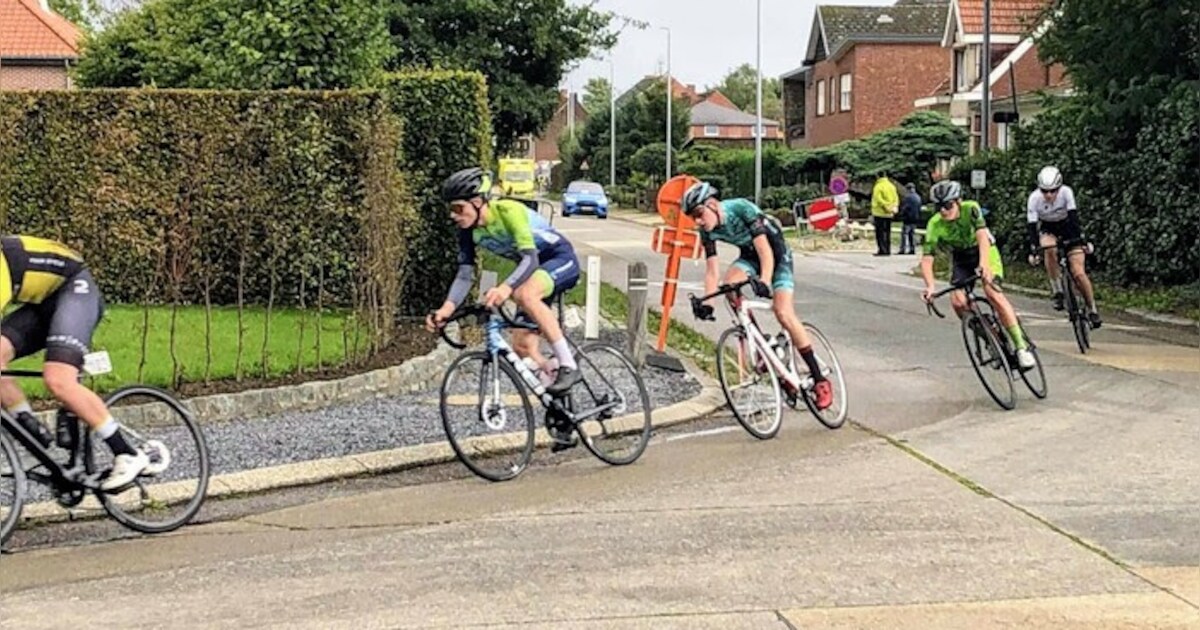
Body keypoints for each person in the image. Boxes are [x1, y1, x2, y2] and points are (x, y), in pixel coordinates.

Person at [1, 235, 153, 491]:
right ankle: (34, 440)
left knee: (58, 380)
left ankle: (127, 453)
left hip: (75, 290)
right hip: (44, 301)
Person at [426, 167, 582, 396]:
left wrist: (505, 288)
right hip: (533, 272)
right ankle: (553, 384)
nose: (453, 215)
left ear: (478, 202)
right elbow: (465, 275)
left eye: (458, 208)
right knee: (522, 347)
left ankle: (569, 365)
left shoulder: (508, 211)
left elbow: (530, 259)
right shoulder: (468, 232)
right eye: (450, 209)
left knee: (524, 294)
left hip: (559, 259)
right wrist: (446, 309)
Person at [682, 181, 834, 410]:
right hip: (750, 257)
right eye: (692, 217)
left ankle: (819, 380)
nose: (698, 221)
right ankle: (762, 343)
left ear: (712, 204)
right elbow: (712, 270)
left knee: (783, 312)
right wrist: (708, 303)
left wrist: (764, 280)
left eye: (699, 214)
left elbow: (765, 251)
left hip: (776, 254)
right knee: (729, 285)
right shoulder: (707, 230)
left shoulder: (742, 208)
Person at [919, 181, 1036, 370]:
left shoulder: (971, 208)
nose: (943, 211)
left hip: (985, 251)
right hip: (961, 259)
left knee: (992, 292)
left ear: (958, 201)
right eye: (938, 207)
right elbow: (927, 259)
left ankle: (1021, 347)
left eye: (947, 205)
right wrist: (930, 286)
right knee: (958, 303)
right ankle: (990, 338)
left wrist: (984, 264)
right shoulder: (934, 224)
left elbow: (982, 236)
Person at [1026, 166, 1101, 328]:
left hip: (1068, 228)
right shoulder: (1034, 198)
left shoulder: (1066, 192)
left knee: (1078, 272)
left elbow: (1074, 218)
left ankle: (1092, 309)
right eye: (1044, 191)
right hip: (1049, 228)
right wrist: (1034, 250)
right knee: (1049, 248)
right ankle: (1057, 290)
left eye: (1053, 191)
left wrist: (1081, 242)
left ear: (1059, 187)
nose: (1049, 195)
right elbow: (1032, 227)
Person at [870, 173, 899, 256]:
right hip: (890, 213)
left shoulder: (878, 186)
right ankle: (888, 249)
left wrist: (885, 206)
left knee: (880, 233)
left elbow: (878, 199)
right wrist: (893, 207)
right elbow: (896, 198)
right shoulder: (892, 186)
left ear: (878, 177)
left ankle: (882, 250)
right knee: (887, 232)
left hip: (879, 213)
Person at [898, 182, 923, 255]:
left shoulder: (908, 197)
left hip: (907, 218)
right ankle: (912, 249)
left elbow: (905, 208)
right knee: (912, 234)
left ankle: (903, 249)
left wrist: (901, 214)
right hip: (915, 218)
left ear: (908, 189)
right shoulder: (918, 197)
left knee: (904, 234)